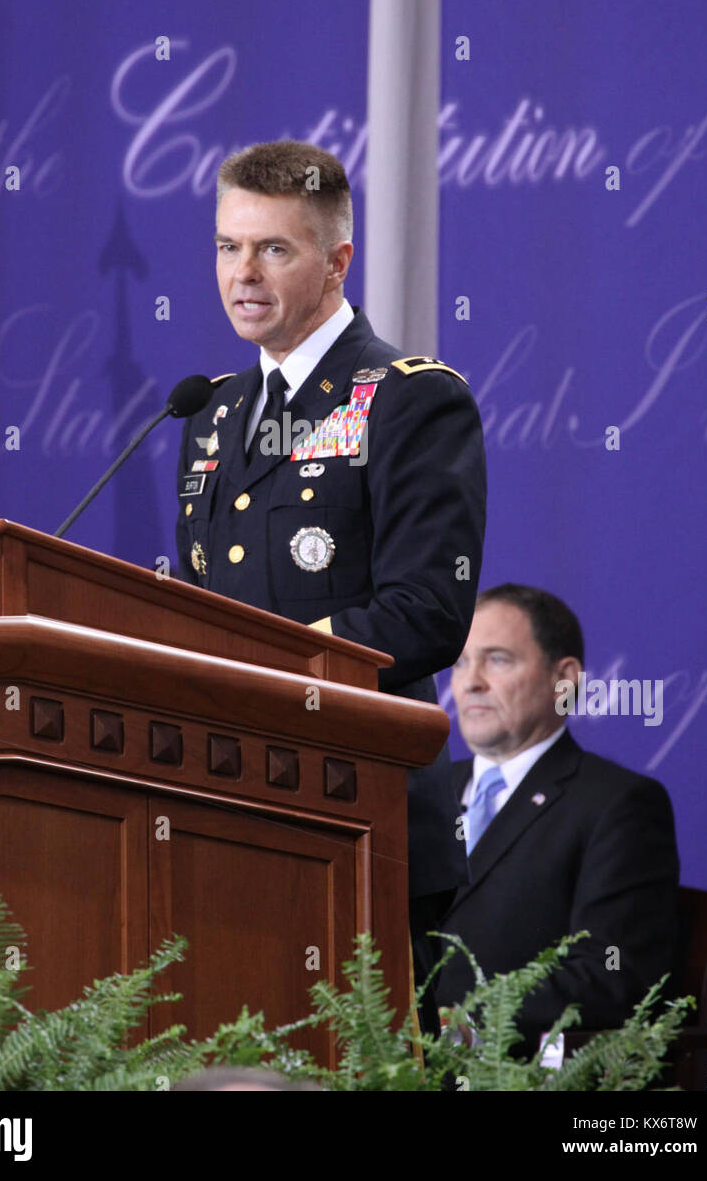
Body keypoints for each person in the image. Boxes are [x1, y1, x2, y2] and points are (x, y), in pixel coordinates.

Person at [174, 140, 487, 1032]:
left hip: (360, 814)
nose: (244, 273)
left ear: (336, 260)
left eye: (274, 248)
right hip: (225, 805)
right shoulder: (212, 416)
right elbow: (198, 610)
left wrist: (265, 671)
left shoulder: (405, 399)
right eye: (228, 247)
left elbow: (425, 612)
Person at [435, 583, 680, 1052]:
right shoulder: (422, 793)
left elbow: (611, 974)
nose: (469, 683)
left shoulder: (619, 804)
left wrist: (457, 1026)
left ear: (564, 679)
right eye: (461, 662)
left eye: (498, 659)